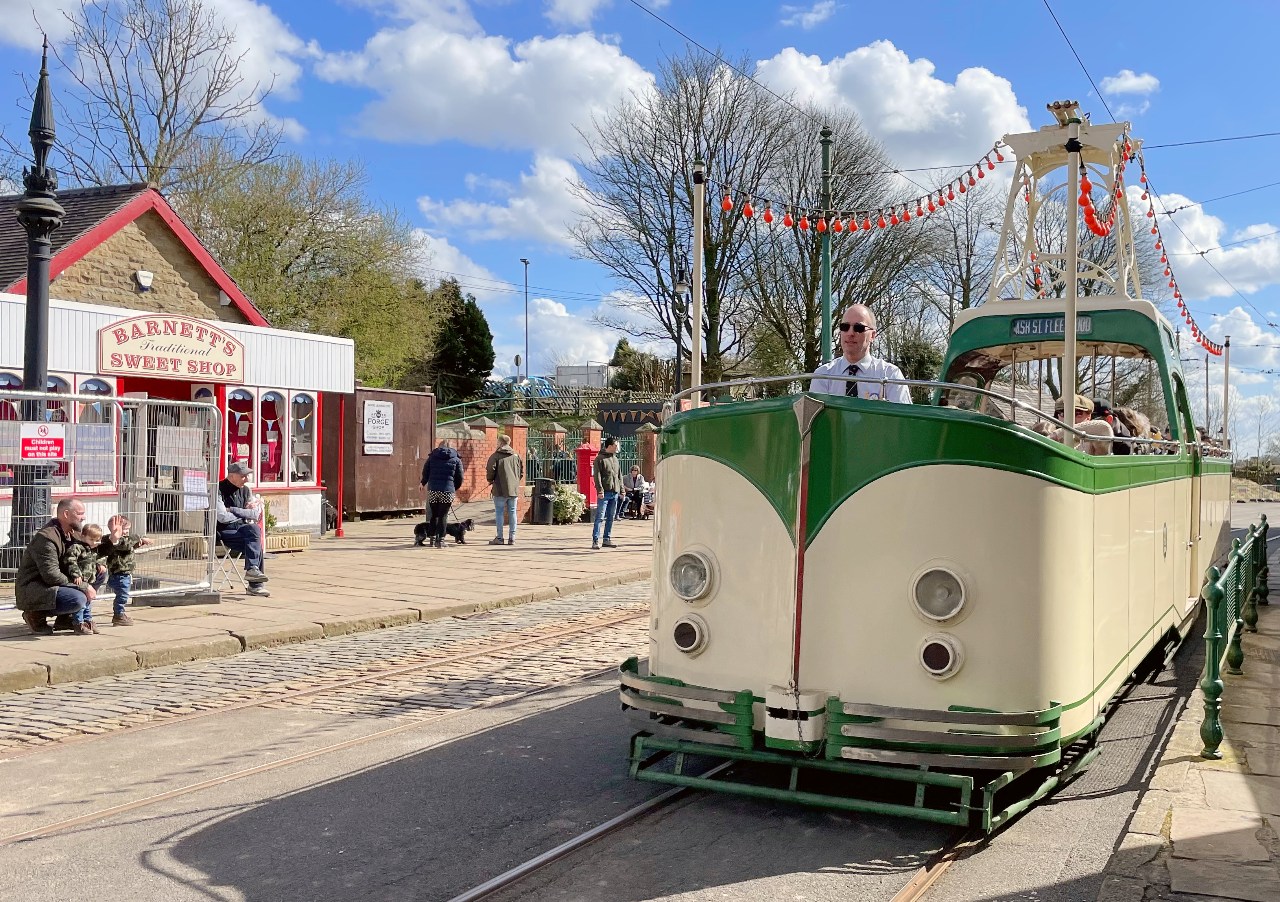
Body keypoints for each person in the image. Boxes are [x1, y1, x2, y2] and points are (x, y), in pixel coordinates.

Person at [15, 497, 93, 635]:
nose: (83, 517)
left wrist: (112, 540)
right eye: (80, 513)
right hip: (35, 587)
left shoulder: (74, 533)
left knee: (97, 572)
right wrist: (83, 586)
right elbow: (51, 575)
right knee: (78, 598)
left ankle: (65, 618)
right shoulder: (46, 538)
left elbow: (91, 553)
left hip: (55, 584)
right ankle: (35, 614)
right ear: (66, 514)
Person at [809, 304, 912, 403]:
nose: (850, 333)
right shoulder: (822, 376)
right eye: (845, 327)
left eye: (858, 328)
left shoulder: (890, 375)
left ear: (872, 335)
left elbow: (902, 415)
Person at [217, 461, 270, 595]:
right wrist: (243, 513)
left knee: (254, 530)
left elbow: (255, 514)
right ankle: (255, 586)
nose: (247, 479)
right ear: (232, 476)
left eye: (247, 476)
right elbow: (222, 517)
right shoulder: (218, 489)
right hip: (225, 531)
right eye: (243, 476)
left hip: (242, 529)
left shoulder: (246, 490)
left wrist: (233, 510)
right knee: (256, 545)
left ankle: (252, 570)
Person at [97, 514, 154, 624]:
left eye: (127, 529)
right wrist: (139, 538)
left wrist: (139, 543)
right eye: (125, 529)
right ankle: (119, 614)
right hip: (120, 573)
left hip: (123, 573)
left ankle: (120, 613)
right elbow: (125, 544)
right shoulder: (114, 540)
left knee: (123, 594)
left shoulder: (123, 540)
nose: (126, 532)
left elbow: (128, 546)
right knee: (122, 595)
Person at [61, 522, 107, 633]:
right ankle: (78, 623)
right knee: (81, 602)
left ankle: (88, 620)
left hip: (89, 580)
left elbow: (98, 558)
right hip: (79, 580)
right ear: (83, 536)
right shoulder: (77, 547)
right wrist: (76, 574)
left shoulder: (93, 549)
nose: (94, 543)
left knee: (88, 602)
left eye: (97, 540)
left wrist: (101, 564)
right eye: (91, 539)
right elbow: (70, 561)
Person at [421, 439, 464, 549]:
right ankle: (440, 541)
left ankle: (432, 539)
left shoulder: (432, 457)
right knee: (443, 516)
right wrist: (454, 488)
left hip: (433, 490)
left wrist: (423, 482)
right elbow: (459, 477)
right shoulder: (456, 459)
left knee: (434, 515)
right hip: (447, 491)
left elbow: (426, 471)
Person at [486, 434, 524, 546]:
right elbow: (521, 472)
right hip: (513, 489)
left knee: (499, 512)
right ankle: (512, 538)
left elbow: (490, 470)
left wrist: (490, 480)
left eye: (497, 442)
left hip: (499, 488)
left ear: (500, 443)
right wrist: (515, 482)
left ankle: (500, 537)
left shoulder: (496, 456)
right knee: (512, 512)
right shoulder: (516, 455)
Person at [592, 437, 623, 549]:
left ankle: (607, 539)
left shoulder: (615, 459)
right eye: (615, 446)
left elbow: (619, 476)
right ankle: (595, 540)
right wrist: (600, 490)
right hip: (605, 492)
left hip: (615, 492)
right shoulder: (600, 459)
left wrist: (622, 490)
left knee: (611, 517)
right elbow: (597, 476)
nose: (617, 448)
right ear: (609, 446)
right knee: (600, 517)